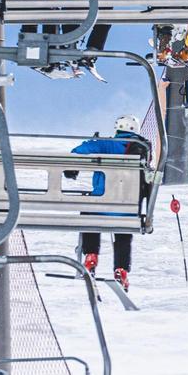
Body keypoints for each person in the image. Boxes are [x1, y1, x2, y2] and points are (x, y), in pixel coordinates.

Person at [69, 115, 152, 290]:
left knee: (89, 214)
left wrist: (72, 168)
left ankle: (91, 256)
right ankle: (121, 269)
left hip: (100, 205)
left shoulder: (106, 144)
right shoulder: (143, 149)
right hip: (128, 208)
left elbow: (81, 150)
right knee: (124, 230)